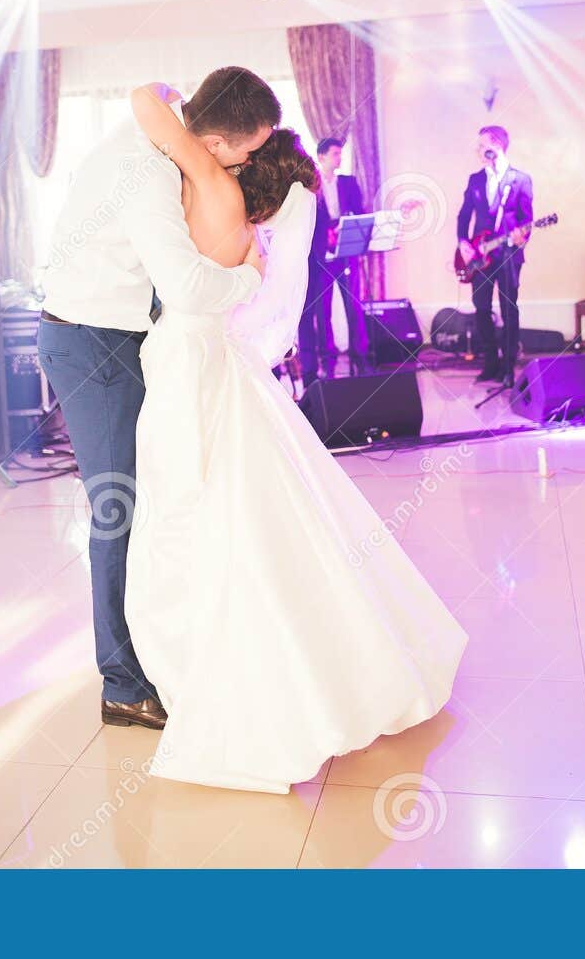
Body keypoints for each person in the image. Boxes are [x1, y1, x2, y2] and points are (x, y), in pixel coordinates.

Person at [122, 84, 465, 794]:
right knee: (239, 503)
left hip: (186, 360)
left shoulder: (204, 179)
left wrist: (169, 96)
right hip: (213, 358)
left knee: (187, 503)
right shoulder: (224, 196)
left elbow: (143, 103)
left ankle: (221, 670)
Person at [37, 67, 276, 731]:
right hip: (92, 343)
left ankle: (162, 649)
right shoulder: (148, 174)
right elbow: (186, 286)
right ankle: (122, 682)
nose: (246, 164)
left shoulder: (159, 135)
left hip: (122, 340)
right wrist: (250, 278)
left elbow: (156, 92)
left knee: (156, 501)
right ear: (217, 144)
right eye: (247, 152)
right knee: (118, 508)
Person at [456, 125, 534, 384]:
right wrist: (463, 242)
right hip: (480, 256)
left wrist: (522, 237)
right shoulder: (475, 179)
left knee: (509, 309)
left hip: (509, 255)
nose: (478, 151)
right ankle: (490, 362)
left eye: (483, 146)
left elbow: (527, 220)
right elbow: (464, 215)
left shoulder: (520, 179)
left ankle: (508, 367)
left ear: (497, 146)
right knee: (481, 308)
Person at [297, 137, 367, 385]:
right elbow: (306, 220)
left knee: (353, 306)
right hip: (320, 255)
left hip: (346, 252)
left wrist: (343, 228)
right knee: (322, 309)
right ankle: (328, 359)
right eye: (336, 154)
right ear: (322, 156)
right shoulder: (309, 185)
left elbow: (360, 213)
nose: (340, 158)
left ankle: (361, 357)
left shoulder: (348, 182)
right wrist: (325, 233)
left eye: (340, 153)